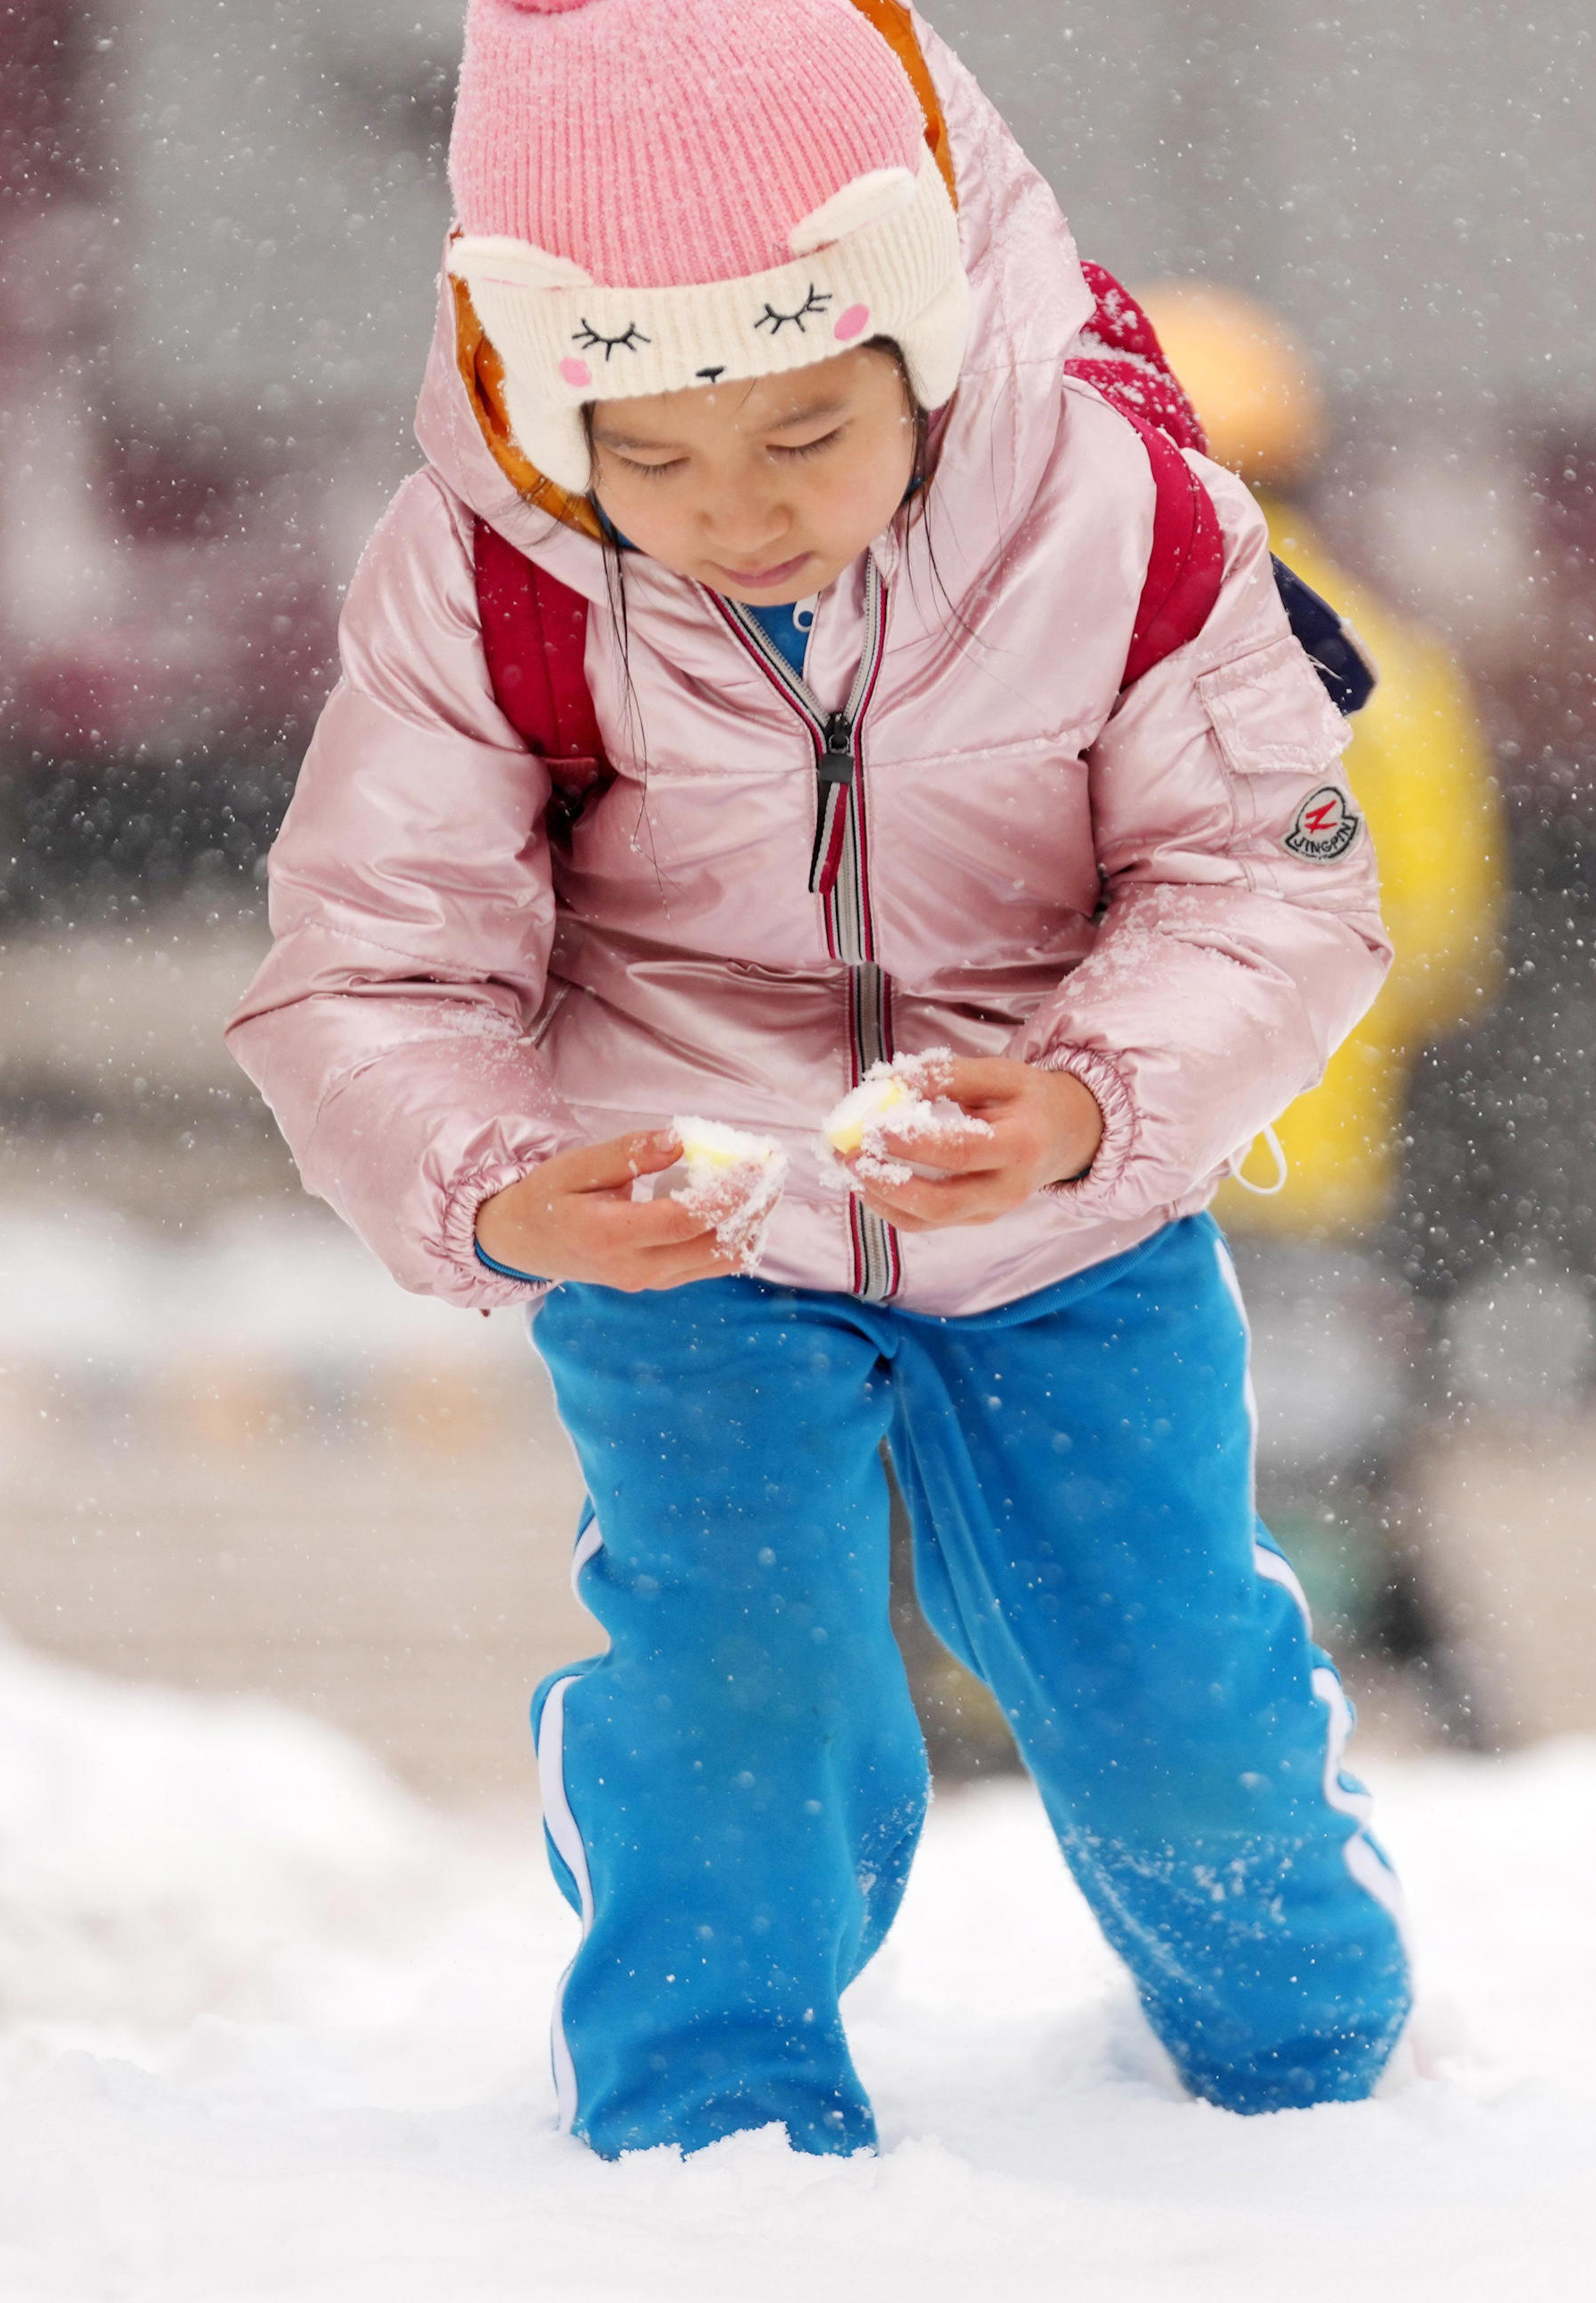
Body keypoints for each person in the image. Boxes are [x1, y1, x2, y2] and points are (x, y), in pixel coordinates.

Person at [227, 0, 1410, 2161]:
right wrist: (502, 1184)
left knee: (1162, 1695)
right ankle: (714, 2129)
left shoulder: (1122, 525)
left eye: (797, 434)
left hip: (1061, 1205)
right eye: (644, 452)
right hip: (684, 1215)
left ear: (924, 342)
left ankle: (1308, 2073)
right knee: (734, 1689)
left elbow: (1272, 881)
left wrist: (1080, 1102)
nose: (727, 511)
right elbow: (371, 969)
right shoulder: (494, 577)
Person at [1144, 283, 1508, 1740]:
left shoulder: (1092, 654)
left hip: (1108, 1158)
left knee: (1102, 1456)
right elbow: (1443, 947)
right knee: (1306, 1458)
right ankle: (1352, 1701)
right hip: (1310, 1158)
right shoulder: (1390, 665)